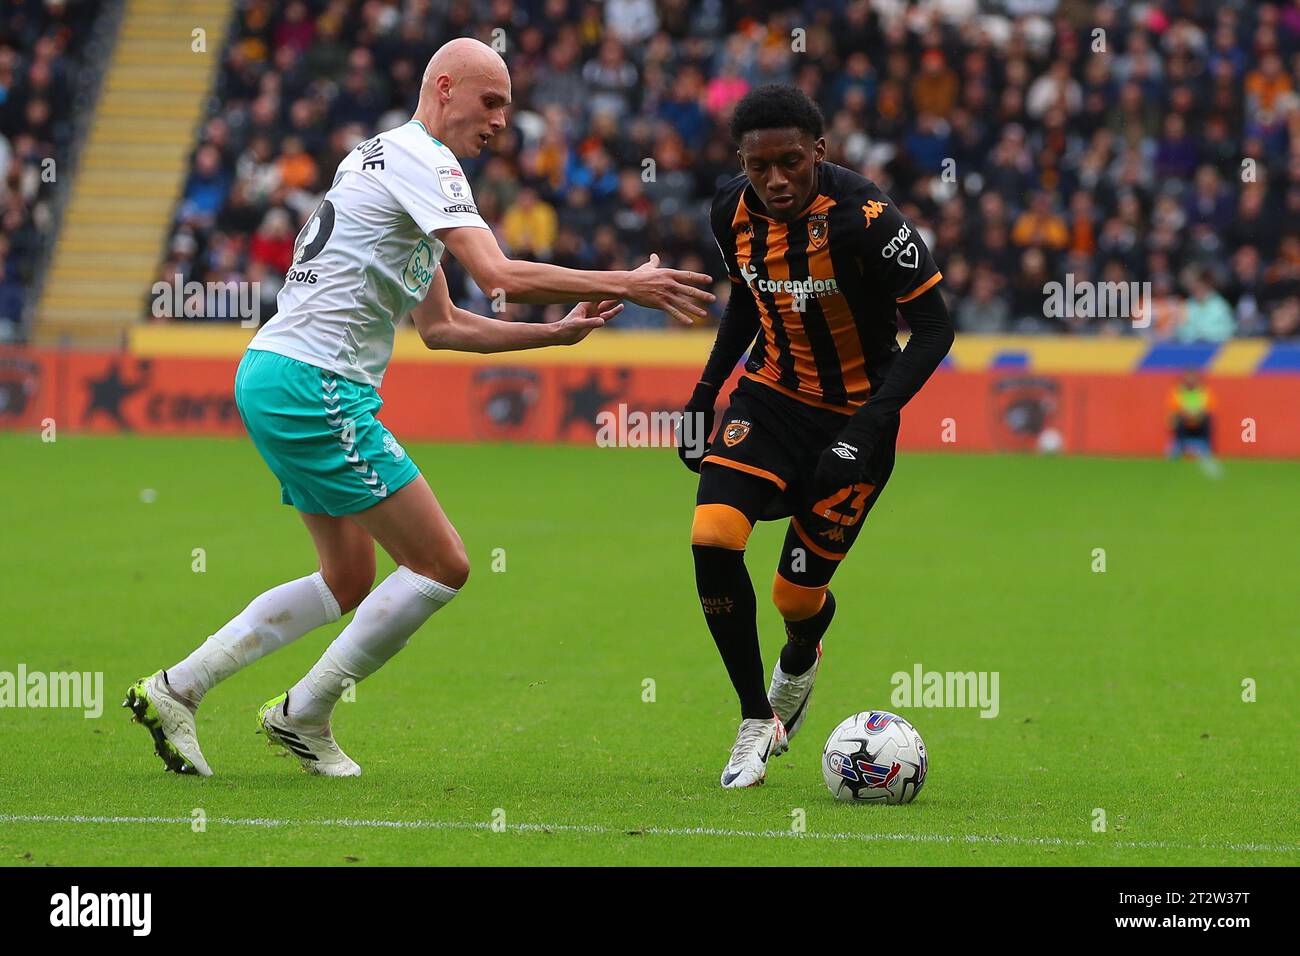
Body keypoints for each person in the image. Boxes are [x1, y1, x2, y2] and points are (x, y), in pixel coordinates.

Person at [124, 38, 714, 777]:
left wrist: (554, 336)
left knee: (347, 578)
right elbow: (497, 272)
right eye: (490, 102)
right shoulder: (428, 162)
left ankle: (178, 689)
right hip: (315, 383)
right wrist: (626, 283)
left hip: (278, 372)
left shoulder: (381, 157)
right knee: (442, 564)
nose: (502, 121)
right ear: (443, 88)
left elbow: (443, 327)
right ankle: (302, 713)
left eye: (508, 106)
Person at [676, 85, 953, 788]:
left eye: (791, 162)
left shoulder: (864, 216)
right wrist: (706, 392)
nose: (775, 180)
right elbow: (750, 295)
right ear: (742, 160)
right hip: (768, 400)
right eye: (758, 164)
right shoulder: (727, 213)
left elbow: (935, 327)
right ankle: (752, 718)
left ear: (819, 152)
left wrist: (866, 429)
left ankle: (801, 656)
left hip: (857, 417)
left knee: (795, 599)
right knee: (712, 534)